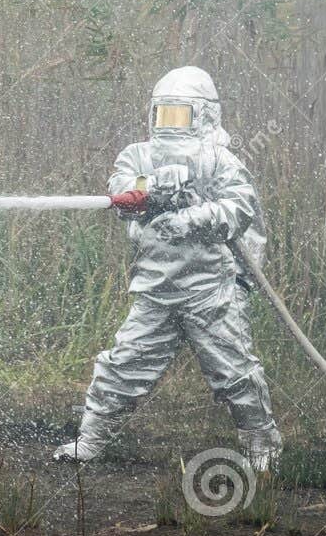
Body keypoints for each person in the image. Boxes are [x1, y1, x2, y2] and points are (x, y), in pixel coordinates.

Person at [54, 67, 283, 470]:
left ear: (204, 115)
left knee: (234, 372)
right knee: (123, 364)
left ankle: (261, 444)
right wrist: (153, 186)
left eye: (180, 114)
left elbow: (241, 207)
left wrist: (192, 220)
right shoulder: (137, 155)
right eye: (164, 114)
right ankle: (90, 438)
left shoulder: (219, 160)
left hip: (211, 291)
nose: (170, 124)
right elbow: (121, 190)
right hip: (156, 291)